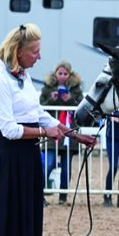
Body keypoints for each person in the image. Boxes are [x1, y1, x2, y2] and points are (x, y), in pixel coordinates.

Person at [0, 24, 95, 236]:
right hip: (11, 157)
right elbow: (9, 129)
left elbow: (38, 113)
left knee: (23, 213)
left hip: (29, 153)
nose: (39, 57)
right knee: (8, 213)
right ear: (18, 51)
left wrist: (73, 135)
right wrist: (46, 132)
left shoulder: (22, 78)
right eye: (34, 52)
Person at [39, 60, 83, 203]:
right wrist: (52, 100)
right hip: (51, 132)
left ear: (70, 75)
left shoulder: (76, 90)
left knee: (66, 167)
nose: (63, 76)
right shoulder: (47, 89)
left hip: (69, 133)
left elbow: (81, 108)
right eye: (60, 73)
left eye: (65, 73)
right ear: (55, 73)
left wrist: (70, 100)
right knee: (49, 163)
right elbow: (40, 108)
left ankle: (63, 197)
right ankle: (39, 194)